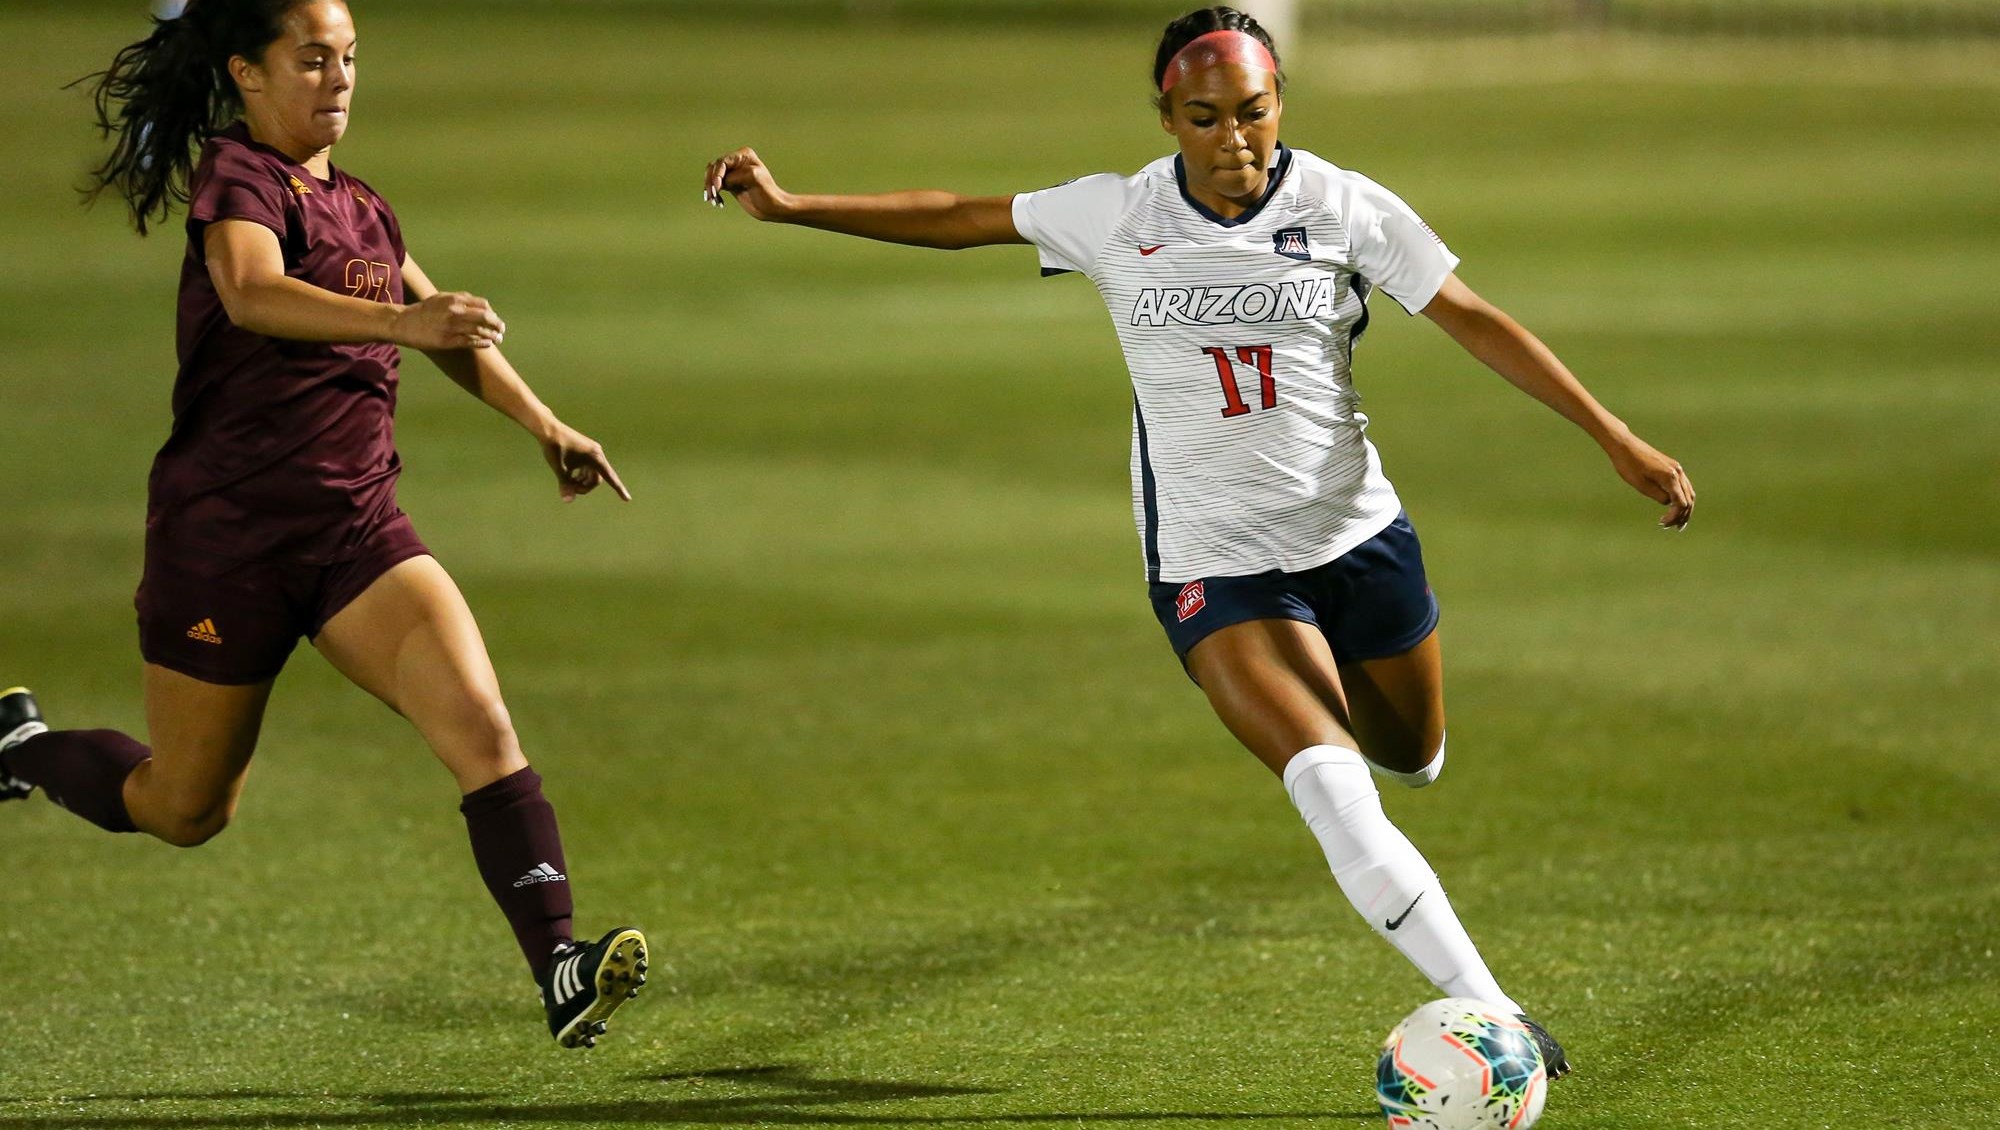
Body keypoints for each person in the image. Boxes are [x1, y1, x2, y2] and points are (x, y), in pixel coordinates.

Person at [702, 4, 1699, 1077]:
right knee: (1328, 782)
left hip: (1359, 540)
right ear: (1167, 118)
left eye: (1254, 113)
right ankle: (1495, 1015)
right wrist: (791, 205)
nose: (1234, 140)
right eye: (1206, 117)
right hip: (1214, 566)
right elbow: (956, 213)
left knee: (1409, 757)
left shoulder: (1343, 208)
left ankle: (1398, 795)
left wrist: (1613, 434)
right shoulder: (1115, 213)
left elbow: (1471, 315)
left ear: (1281, 107)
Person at [0, 0, 648, 1049]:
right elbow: (254, 293)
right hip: (226, 544)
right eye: (311, 59)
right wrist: (400, 318)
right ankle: (25, 747)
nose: (336, 78)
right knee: (185, 807)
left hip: (357, 536)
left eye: (347, 58)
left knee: (483, 729)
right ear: (246, 74)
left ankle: (561, 965)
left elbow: (446, 332)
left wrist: (544, 422)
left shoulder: (364, 206)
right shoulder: (238, 182)